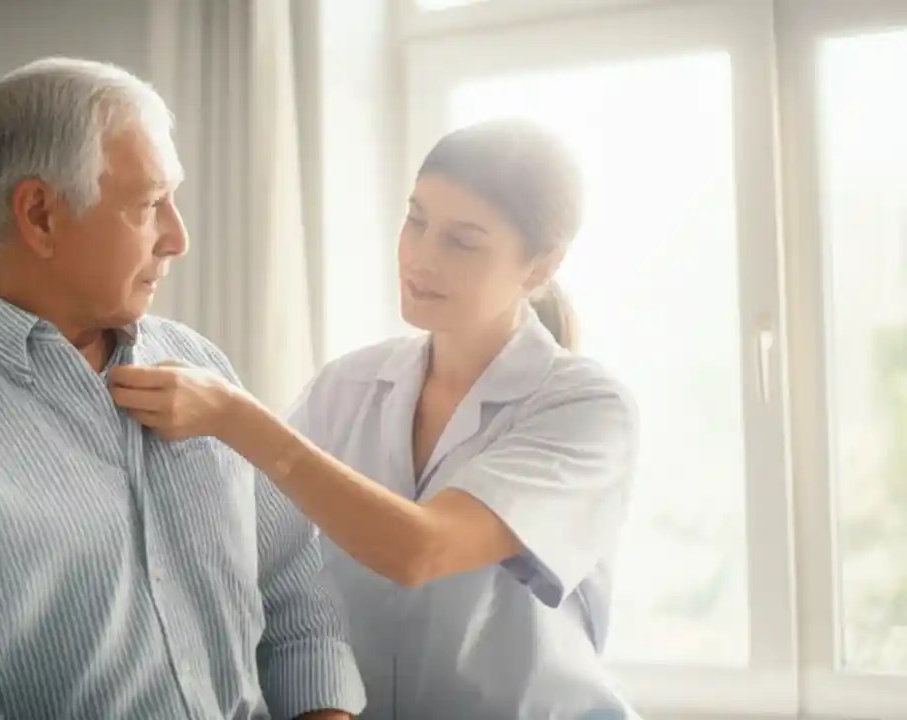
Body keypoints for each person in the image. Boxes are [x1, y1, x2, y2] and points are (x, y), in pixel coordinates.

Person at [0, 57, 365, 720]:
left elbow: (297, 595)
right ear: (40, 214)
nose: (179, 239)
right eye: (151, 205)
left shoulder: (199, 362)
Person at [110, 120, 639, 718]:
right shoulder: (348, 386)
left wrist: (234, 415)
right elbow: (257, 546)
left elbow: (420, 549)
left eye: (462, 242)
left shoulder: (585, 408)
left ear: (541, 266)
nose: (420, 257)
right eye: (416, 221)